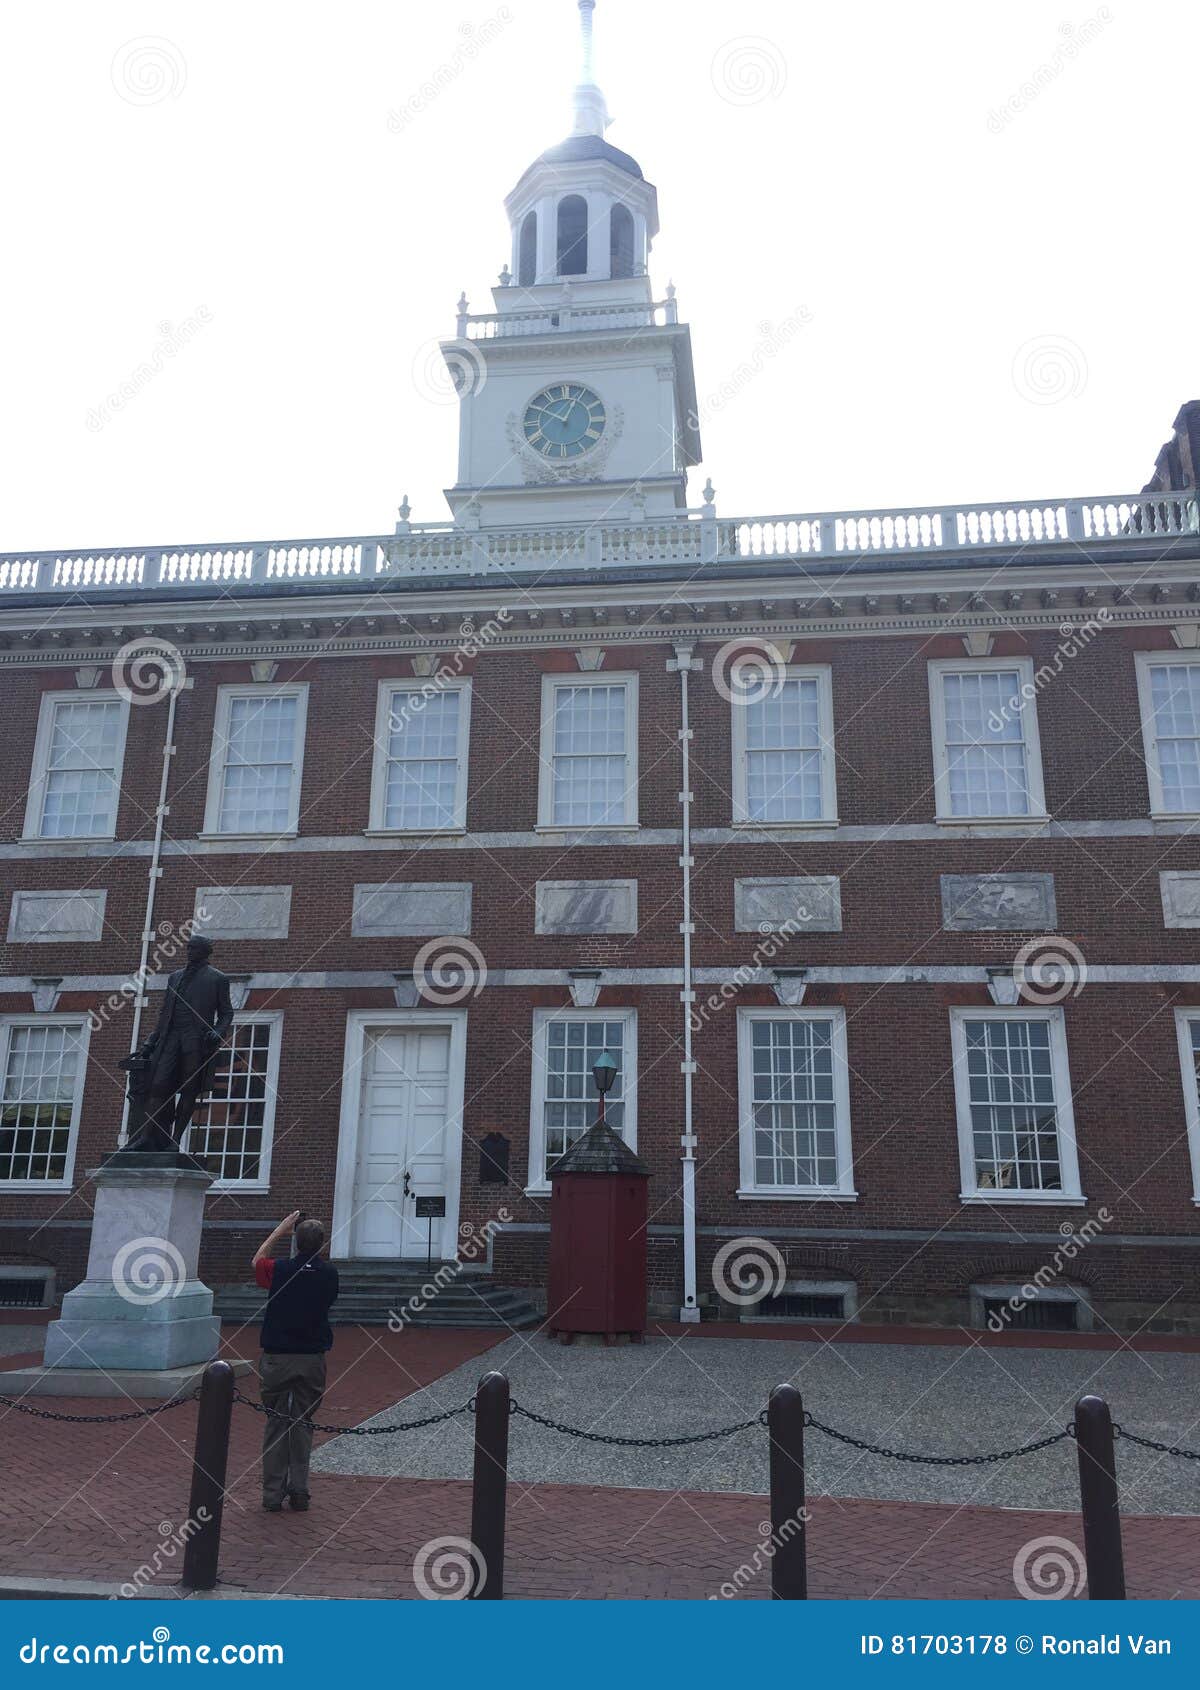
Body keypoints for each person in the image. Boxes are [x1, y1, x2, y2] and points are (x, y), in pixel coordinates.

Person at [252, 1211, 340, 1513]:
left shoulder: (279, 1270)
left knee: (276, 1423)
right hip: (311, 1359)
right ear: (322, 1244)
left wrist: (280, 1229)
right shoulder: (330, 1274)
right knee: (303, 1423)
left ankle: (272, 1494)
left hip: (277, 1358)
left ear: (296, 1242)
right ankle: (300, 1490)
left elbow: (257, 1260)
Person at [125, 934, 233, 1152]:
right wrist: (150, 1042)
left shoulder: (217, 978)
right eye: (188, 948)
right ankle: (146, 1136)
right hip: (170, 1039)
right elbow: (165, 1013)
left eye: (194, 948)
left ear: (205, 951)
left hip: (196, 1041)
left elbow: (226, 1013)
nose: (189, 952)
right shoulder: (175, 977)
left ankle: (175, 1140)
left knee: (189, 1090)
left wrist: (217, 1032)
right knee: (158, 1086)